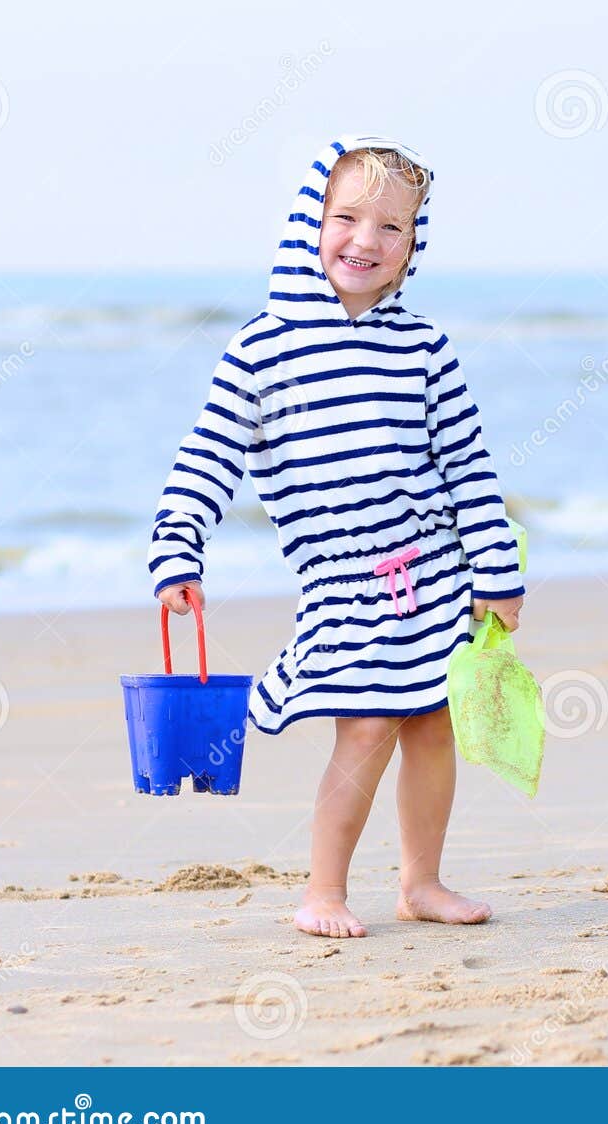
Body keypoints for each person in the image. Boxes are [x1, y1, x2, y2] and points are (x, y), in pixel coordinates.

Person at [148, 134, 524, 938]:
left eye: (393, 228)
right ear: (307, 225)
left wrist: (496, 571)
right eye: (346, 218)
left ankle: (421, 881)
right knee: (365, 722)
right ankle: (323, 889)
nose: (366, 240)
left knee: (431, 721)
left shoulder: (424, 348)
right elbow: (206, 457)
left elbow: (468, 466)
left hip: (434, 573)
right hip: (344, 584)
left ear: (414, 245)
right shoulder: (263, 348)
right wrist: (179, 551)